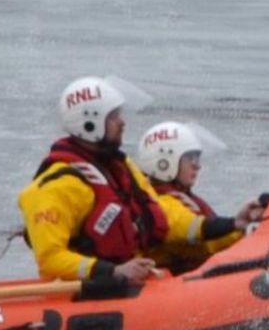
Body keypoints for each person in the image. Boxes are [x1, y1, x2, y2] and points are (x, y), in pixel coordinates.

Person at [17, 77, 256, 288]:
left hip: (135, 280)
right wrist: (112, 271)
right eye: (113, 117)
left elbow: (166, 219)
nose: (122, 123)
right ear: (89, 122)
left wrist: (232, 224)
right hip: (95, 289)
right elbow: (50, 259)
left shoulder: (122, 169)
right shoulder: (57, 186)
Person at [136, 120, 257, 274]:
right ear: (164, 161)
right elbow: (193, 232)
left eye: (196, 158)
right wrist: (236, 224)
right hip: (168, 279)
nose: (197, 165)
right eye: (190, 158)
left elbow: (210, 241)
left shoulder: (180, 197)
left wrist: (247, 228)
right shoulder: (158, 202)